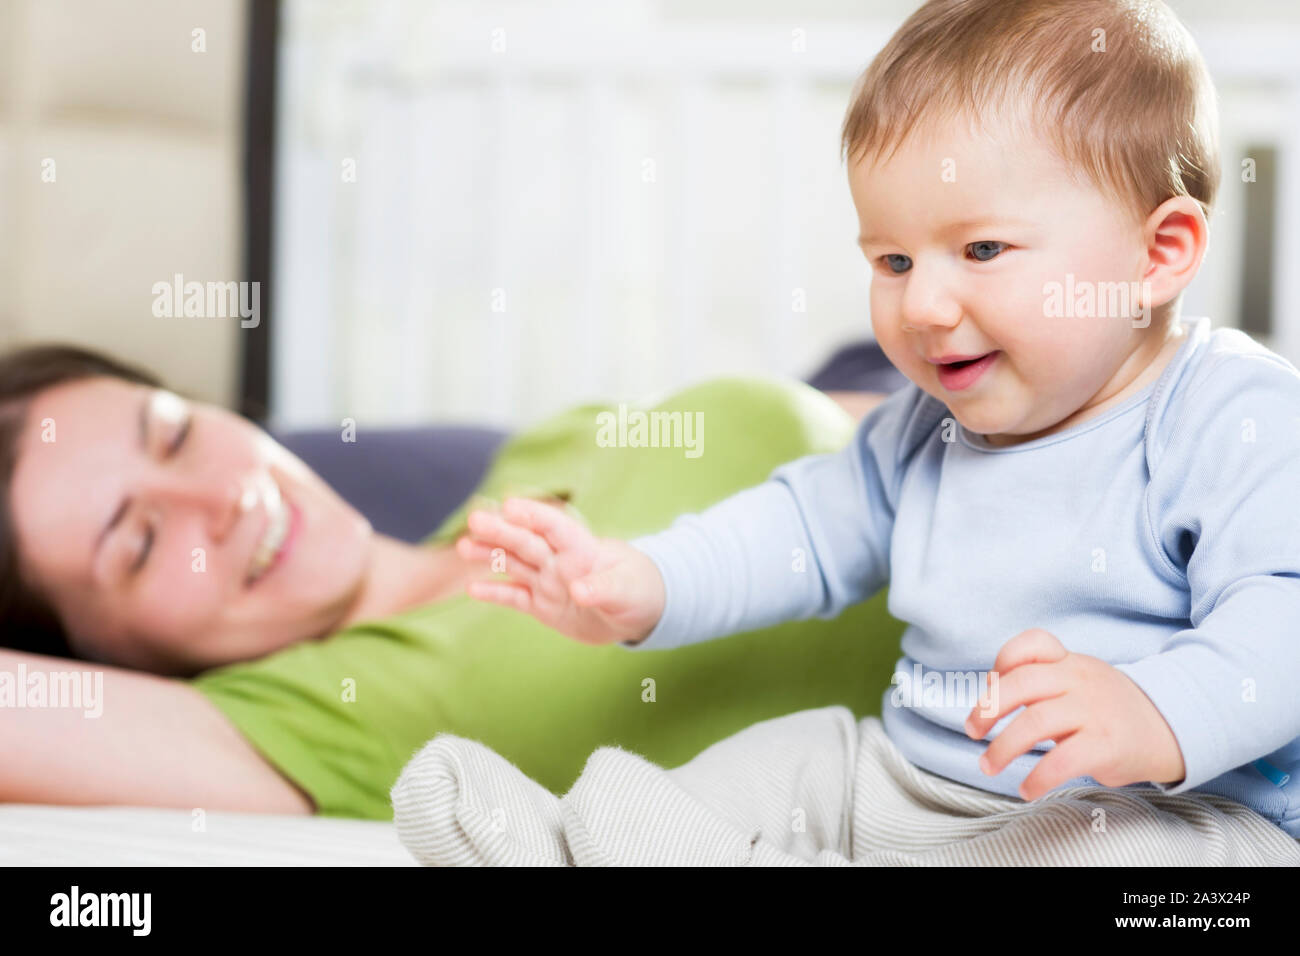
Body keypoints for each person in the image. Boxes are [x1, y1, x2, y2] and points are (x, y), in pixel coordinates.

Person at [450, 0, 1300, 860]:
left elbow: (1284, 618)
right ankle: (561, 842)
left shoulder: (1232, 417)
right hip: (912, 782)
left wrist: (1158, 711)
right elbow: (797, 531)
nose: (924, 307)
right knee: (788, 763)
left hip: (1163, 813)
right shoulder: (919, 431)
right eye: (892, 262)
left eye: (982, 251)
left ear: (1158, 255)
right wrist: (641, 580)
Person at [0, 344, 901, 818]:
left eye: (176, 434)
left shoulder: (544, 447)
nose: (221, 498)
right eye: (141, 543)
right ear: (96, 656)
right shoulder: (311, 718)